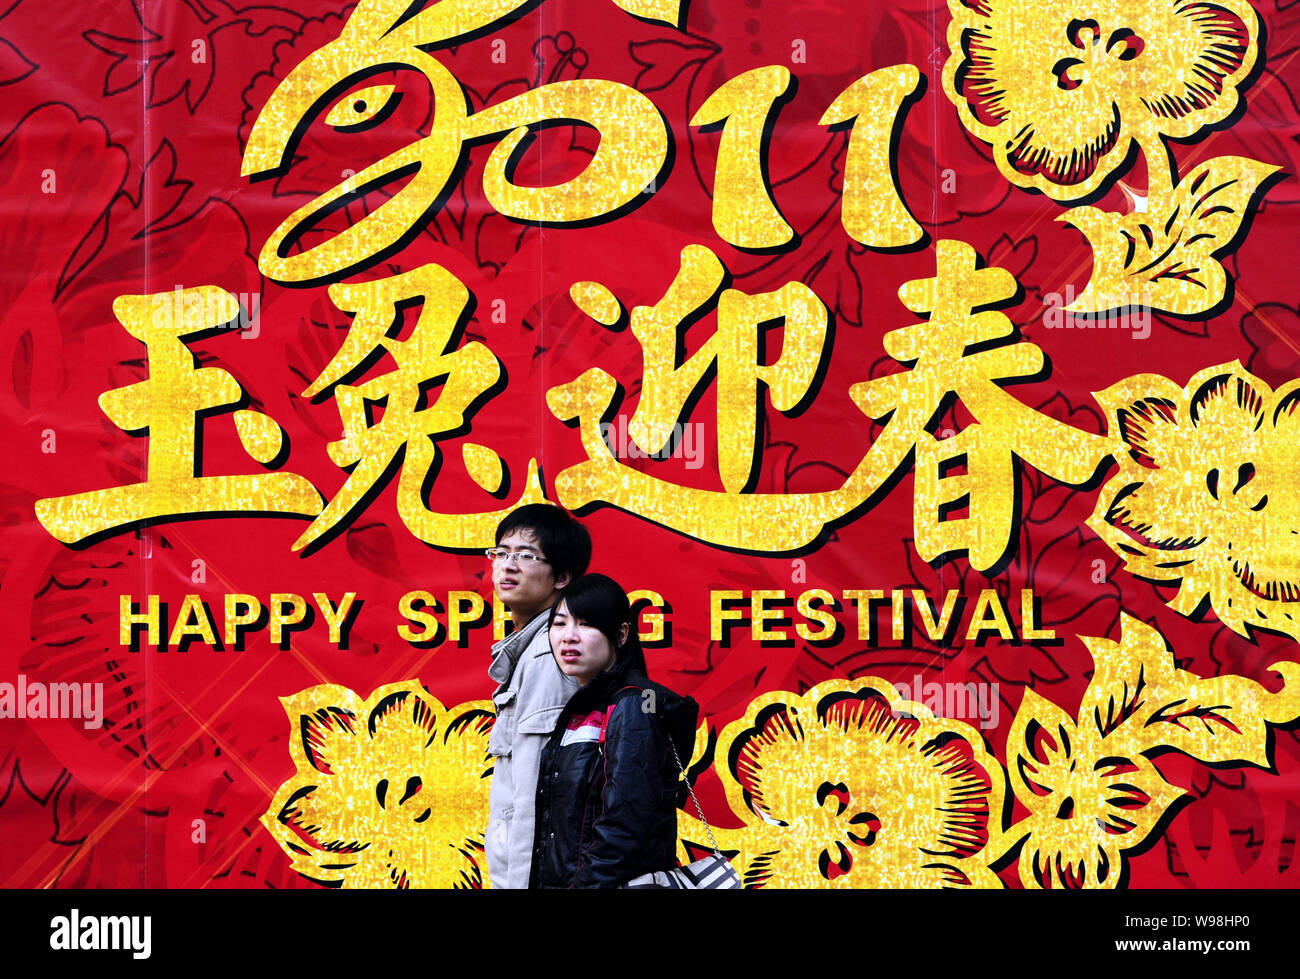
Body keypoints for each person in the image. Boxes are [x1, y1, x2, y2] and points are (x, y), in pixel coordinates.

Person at [531, 573, 699, 888]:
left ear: (621, 634)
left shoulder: (634, 703)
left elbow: (626, 826)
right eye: (559, 623)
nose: (569, 636)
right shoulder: (584, 704)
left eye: (585, 624)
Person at [485, 504, 591, 889]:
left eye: (526, 556)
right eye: (501, 552)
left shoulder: (548, 656)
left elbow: (537, 798)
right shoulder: (532, 650)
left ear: (562, 577)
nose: (507, 566)